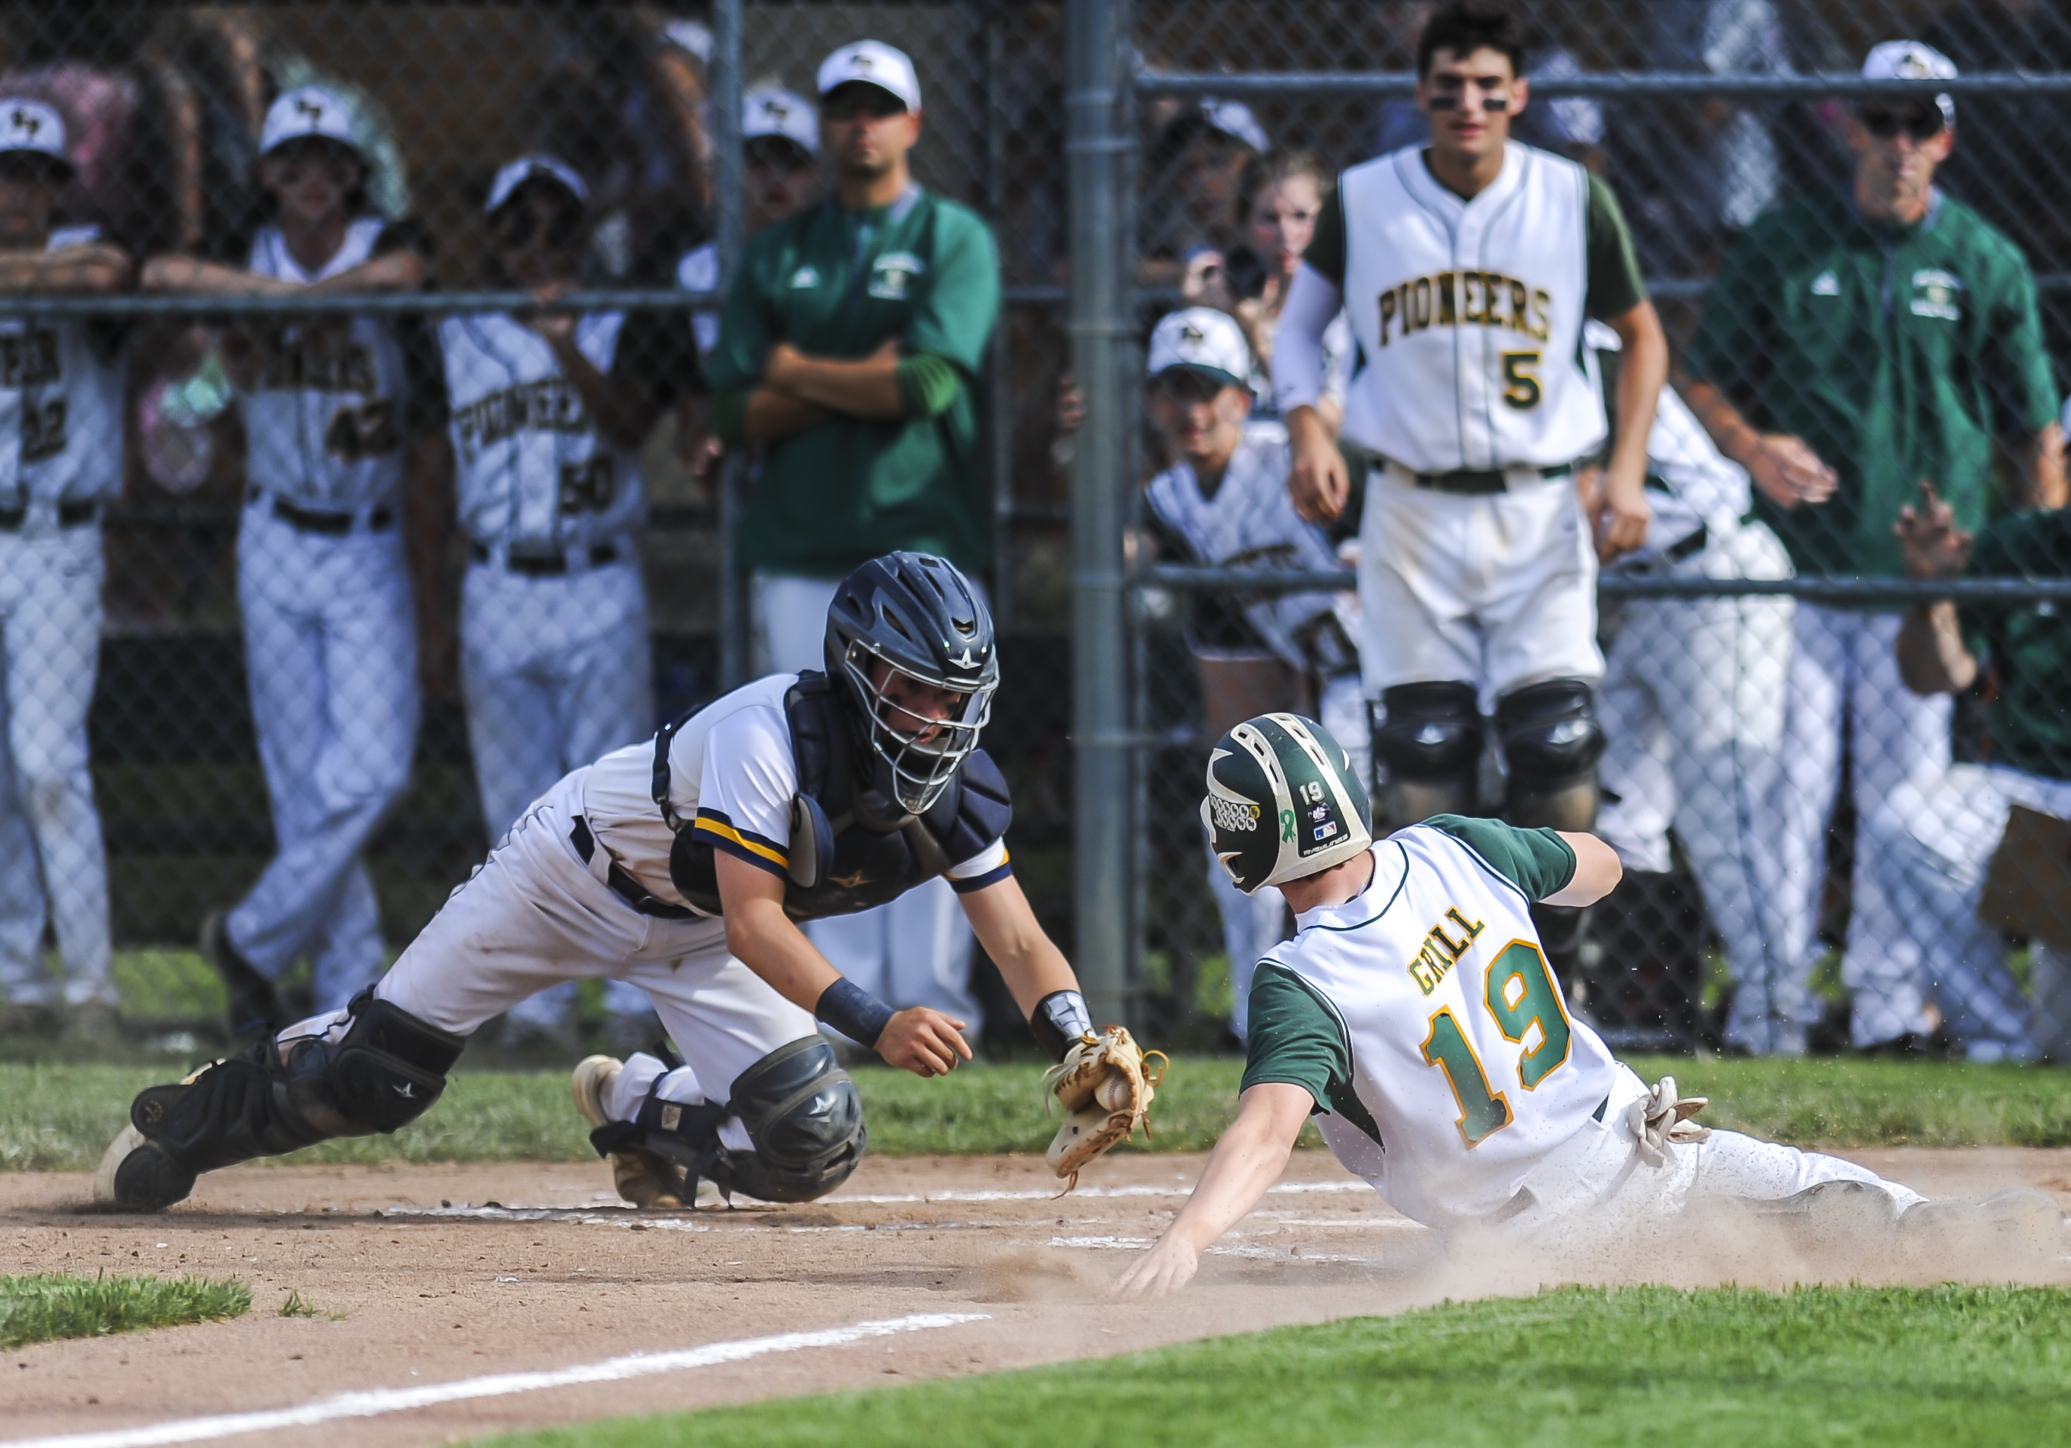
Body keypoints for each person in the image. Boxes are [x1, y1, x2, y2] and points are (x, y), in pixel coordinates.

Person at [97, 554, 1104, 1216]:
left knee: (810, 1143)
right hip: (569, 876)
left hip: (696, 930)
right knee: (375, 1081)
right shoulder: (772, 732)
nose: (935, 718)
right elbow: (757, 922)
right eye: (913, 689)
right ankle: (200, 1110)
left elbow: (1017, 943)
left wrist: (1080, 1042)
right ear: (853, 669)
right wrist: (875, 1020)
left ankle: (634, 1102)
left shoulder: (958, 791)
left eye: (953, 697)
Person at [1112, 711, 2056, 1294]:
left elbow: (1265, 1134)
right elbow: (1598, 867)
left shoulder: (1301, 979)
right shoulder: (1448, 846)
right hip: (1653, 1152)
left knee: (1800, 1241)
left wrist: (1189, 1238)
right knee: (1873, 1213)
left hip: (1533, 1242)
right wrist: (1520, 887)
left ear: (1242, 848)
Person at [1678, 41, 2064, 1053]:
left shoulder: (1983, 259)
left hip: (1920, 589)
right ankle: (1778, 1006)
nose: (1898, 144)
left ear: (1946, 136)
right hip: (1800, 576)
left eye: (1919, 124)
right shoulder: (1784, 241)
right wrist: (1755, 448)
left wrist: (2031, 590)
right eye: (1881, 121)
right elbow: (1702, 379)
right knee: (1787, 797)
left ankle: (1890, 1011)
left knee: (1904, 806)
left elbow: (2033, 434)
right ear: (1847, 124)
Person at [1273, 0, 1668, 975]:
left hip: (1537, 504)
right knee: (1422, 748)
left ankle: (1556, 969)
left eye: (1489, 90)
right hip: (1409, 505)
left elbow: (1643, 333)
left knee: (1556, 741)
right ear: (1420, 93)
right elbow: (1296, 329)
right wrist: (1306, 424)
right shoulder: (1365, 198)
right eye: (1448, 88)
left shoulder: (1570, 196)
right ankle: (1441, 978)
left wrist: (1623, 467)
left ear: (1519, 96)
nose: (1468, 105)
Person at [704, 41, 1002, 1044]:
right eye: (843, 106)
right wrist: (858, 373)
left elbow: (926, 384)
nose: (859, 123)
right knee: (800, 772)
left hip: (920, 553)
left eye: (880, 106)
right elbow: (735, 410)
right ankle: (833, 1006)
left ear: (912, 124)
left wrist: (796, 366)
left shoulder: (953, 235)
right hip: (801, 543)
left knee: (925, 768)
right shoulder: (779, 249)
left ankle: (935, 998)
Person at [139, 85, 447, 1039]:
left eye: (329, 161)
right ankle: (343, 989)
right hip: (274, 536)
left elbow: (405, 273)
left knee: (371, 771)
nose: (312, 178)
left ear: (354, 173)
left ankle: (247, 939)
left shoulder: (388, 248)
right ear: (267, 174)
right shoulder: (250, 253)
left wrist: (293, 310)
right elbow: (155, 276)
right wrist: (281, 306)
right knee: (300, 780)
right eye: (292, 162)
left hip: (366, 543)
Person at [428, 155, 701, 1050]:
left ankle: (628, 1003)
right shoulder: (457, 331)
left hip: (599, 581)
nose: (538, 244)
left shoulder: (624, 317)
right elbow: (425, 469)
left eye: (557, 226)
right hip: (497, 578)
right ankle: (538, 1008)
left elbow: (628, 424)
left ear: (586, 236)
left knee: (622, 805)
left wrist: (560, 341)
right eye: (518, 226)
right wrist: (434, 611)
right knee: (516, 809)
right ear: (495, 238)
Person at [1138, 308, 1363, 1042]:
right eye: (1175, 390)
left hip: (1377, 673)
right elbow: (1228, 664)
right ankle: (1256, 1022)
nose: (1191, 411)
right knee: (1226, 823)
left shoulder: (1284, 459)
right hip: (1304, 683)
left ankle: (1357, 1013)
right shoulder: (1170, 500)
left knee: (1341, 845)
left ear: (1242, 397)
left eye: (1209, 390)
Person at [1584, 321, 1804, 1054]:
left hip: (1717, 577)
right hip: (1633, 596)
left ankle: (1778, 1022)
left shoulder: (1579, 343)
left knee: (1723, 815)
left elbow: (1585, 496)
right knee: (1614, 809)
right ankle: (1649, 1004)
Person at [1854, 484, 2065, 1061]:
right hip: (2029, 786)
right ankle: (2000, 1039)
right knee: (1907, 823)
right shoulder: (2022, 544)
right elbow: (1932, 677)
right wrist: (1934, 594)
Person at [0, 100, 127, 1041]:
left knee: (49, 761)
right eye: (7, 173)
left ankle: (88, 986)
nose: (21, 191)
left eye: (38, 175)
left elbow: (107, 271)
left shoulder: (87, 250)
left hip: (57, 540)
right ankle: (16, 980)